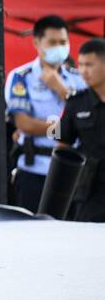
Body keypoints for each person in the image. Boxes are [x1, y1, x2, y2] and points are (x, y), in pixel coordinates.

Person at [5, 15, 86, 213]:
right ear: (37, 43)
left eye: (63, 42)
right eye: (52, 42)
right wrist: (67, 129)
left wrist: (62, 90)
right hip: (34, 169)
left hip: (73, 170)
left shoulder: (78, 79)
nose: (59, 47)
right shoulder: (21, 77)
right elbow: (24, 124)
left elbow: (89, 120)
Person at [58, 38, 105, 222]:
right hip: (90, 189)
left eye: (89, 65)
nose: (83, 71)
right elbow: (60, 141)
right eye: (81, 65)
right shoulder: (75, 102)